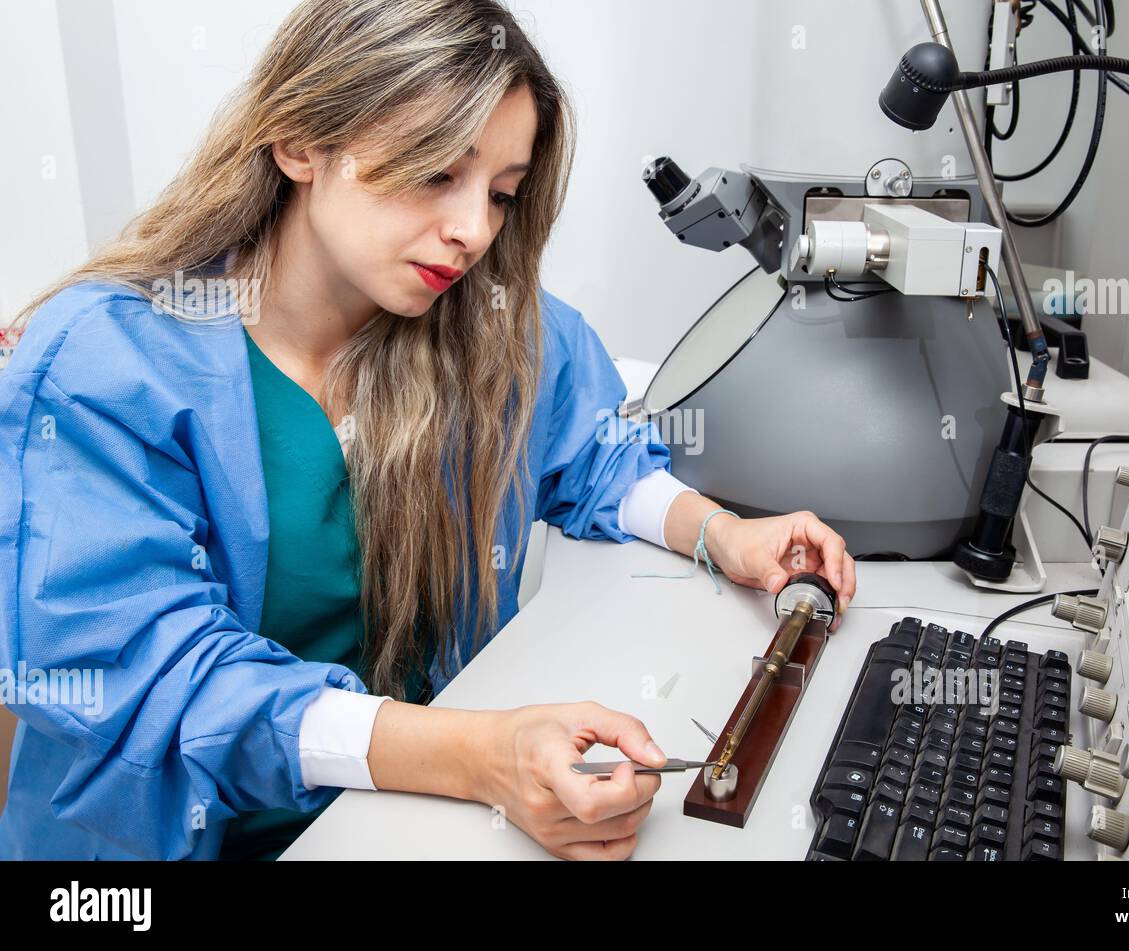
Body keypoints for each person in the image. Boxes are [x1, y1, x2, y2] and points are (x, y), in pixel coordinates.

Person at [0, 0, 856, 861]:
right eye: (436, 172)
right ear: (300, 142)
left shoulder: (485, 325)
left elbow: (595, 457)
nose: (474, 230)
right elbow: (164, 682)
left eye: (502, 194)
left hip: (410, 813)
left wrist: (725, 535)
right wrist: (481, 756)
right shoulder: (105, 361)